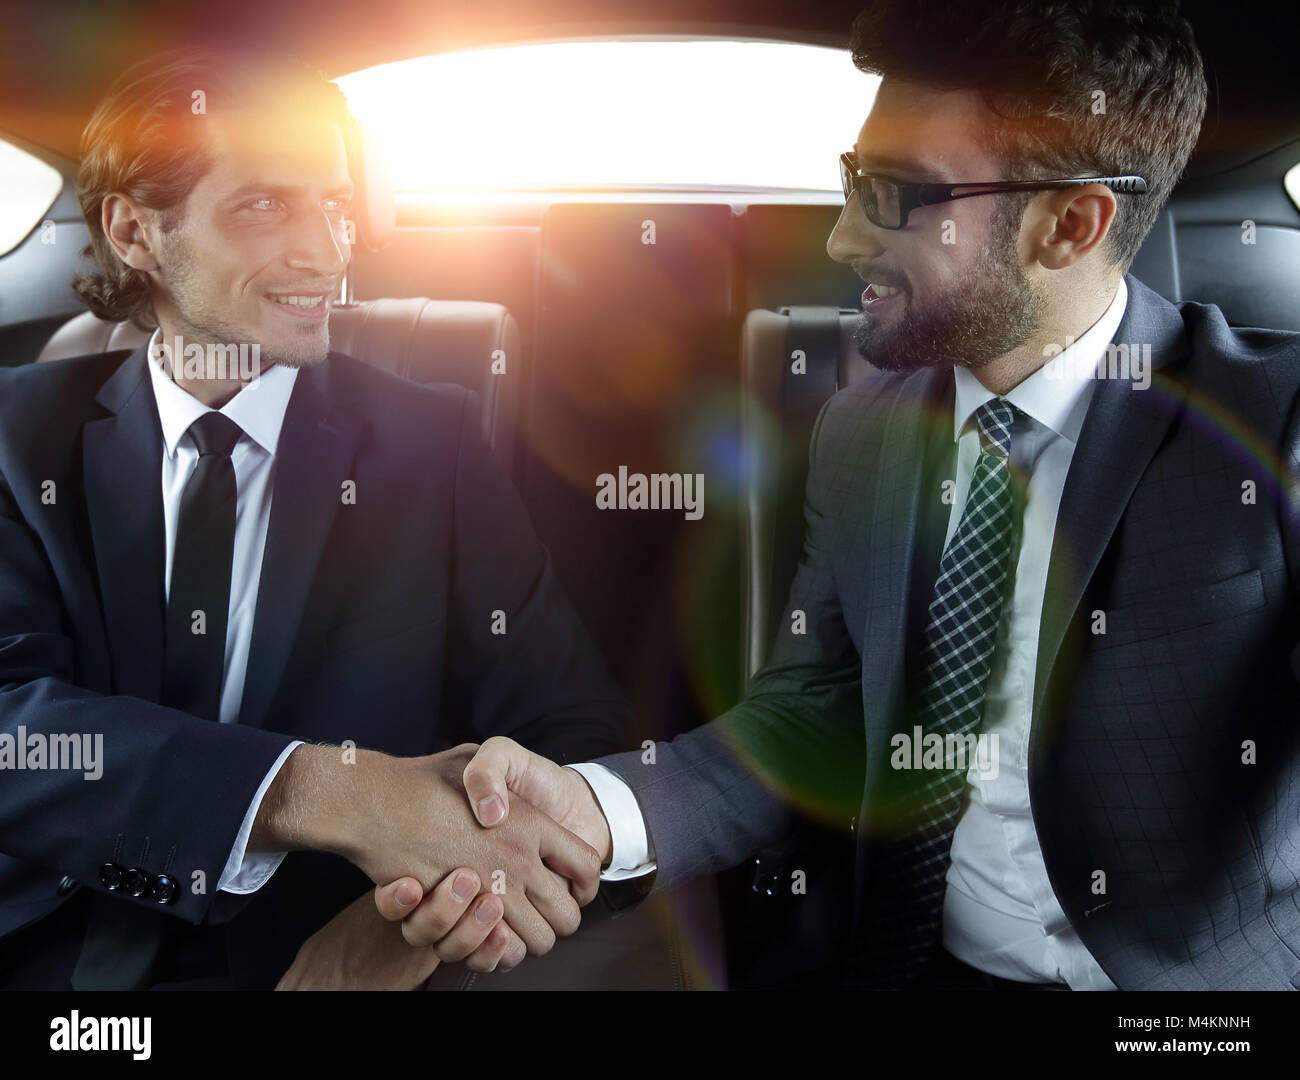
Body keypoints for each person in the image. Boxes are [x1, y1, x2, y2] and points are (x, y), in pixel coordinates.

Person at [411, 0, 1300, 990]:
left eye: (895, 194)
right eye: (851, 181)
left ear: (1069, 224)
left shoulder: (1275, 422)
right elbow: (811, 712)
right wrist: (597, 807)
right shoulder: (864, 424)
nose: (839, 239)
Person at [0, 49, 625, 990]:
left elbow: (573, 739)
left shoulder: (434, 445)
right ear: (134, 232)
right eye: (264, 206)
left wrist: (419, 927)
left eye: (334, 205)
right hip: (62, 944)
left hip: (329, 946)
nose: (327, 251)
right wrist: (329, 790)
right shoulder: (18, 436)